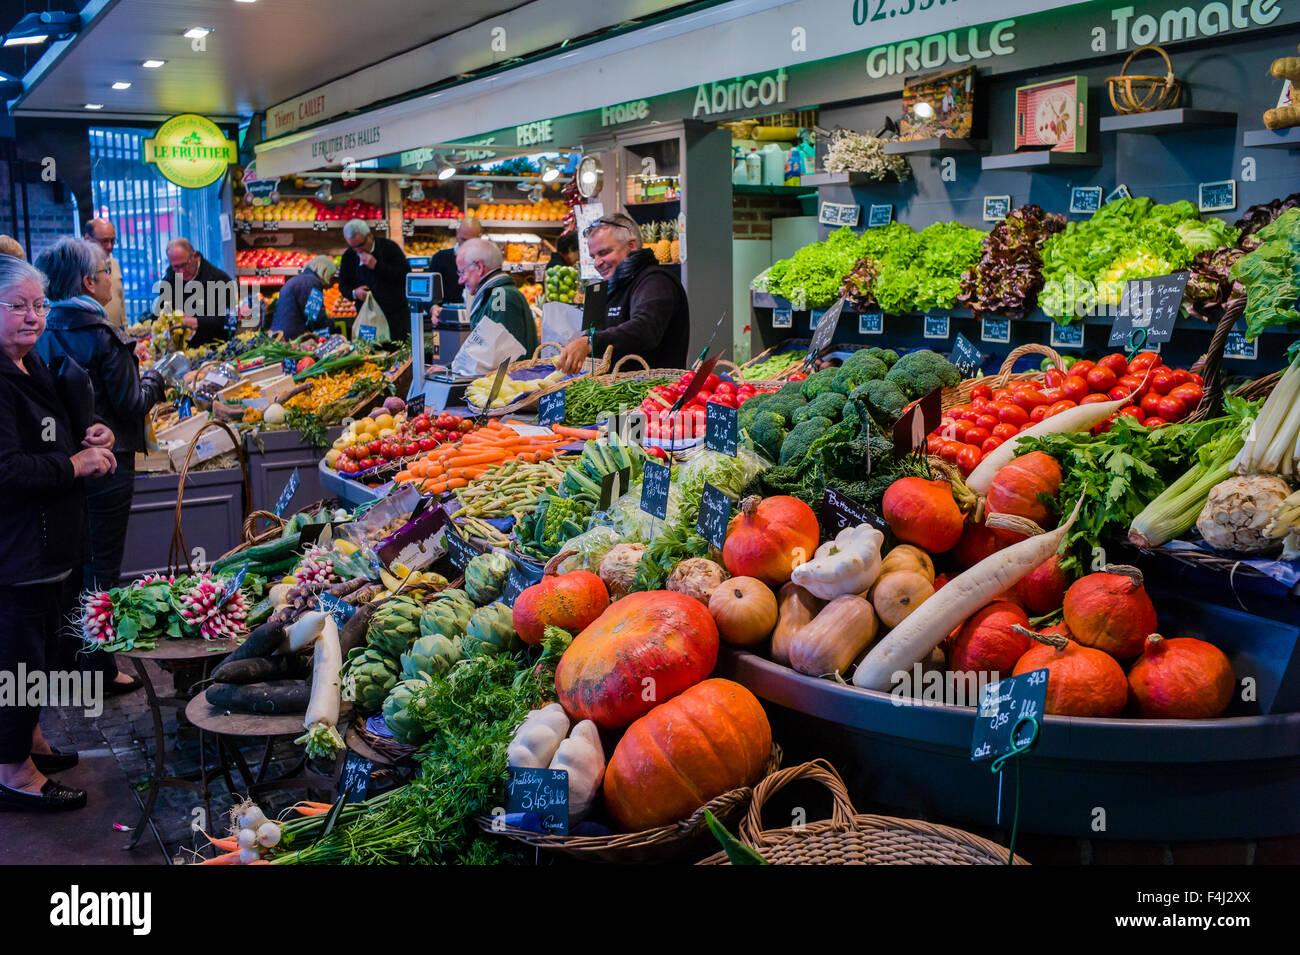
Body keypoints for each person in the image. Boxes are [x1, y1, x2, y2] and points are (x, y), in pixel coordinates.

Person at [0, 253, 119, 811]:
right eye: (17, 306)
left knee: (41, 654)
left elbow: (48, 434)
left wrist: (86, 435)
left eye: (38, 305)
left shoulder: (29, 364)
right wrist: (75, 465)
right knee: (16, 661)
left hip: (50, 547)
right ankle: (14, 773)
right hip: (16, 550)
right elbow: (7, 469)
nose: (32, 317)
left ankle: (30, 741)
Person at [36, 236, 166, 695]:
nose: (113, 278)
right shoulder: (102, 333)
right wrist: (155, 377)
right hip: (109, 465)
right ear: (88, 282)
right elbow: (131, 406)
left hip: (63, 466)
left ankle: (70, 664)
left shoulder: (43, 330)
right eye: (106, 270)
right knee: (103, 568)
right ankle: (100, 669)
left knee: (72, 565)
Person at [556, 213, 689, 372]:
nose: (597, 263)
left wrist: (590, 342)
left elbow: (644, 330)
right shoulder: (610, 286)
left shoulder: (656, 281)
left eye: (604, 253)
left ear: (631, 245)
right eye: (593, 256)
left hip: (653, 391)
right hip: (616, 391)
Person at [439, 238, 538, 372]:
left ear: (479, 267)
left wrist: (449, 371)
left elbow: (498, 355)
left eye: (462, 272)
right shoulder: (497, 293)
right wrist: (448, 369)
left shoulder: (500, 295)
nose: (460, 280)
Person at [337, 219, 411, 340]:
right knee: (371, 354)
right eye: (353, 247)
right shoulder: (349, 256)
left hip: (394, 317)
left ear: (370, 236)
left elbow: (405, 275)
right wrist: (355, 293)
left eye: (360, 245)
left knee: (398, 353)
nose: (358, 250)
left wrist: (377, 266)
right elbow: (343, 285)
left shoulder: (389, 248)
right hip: (367, 318)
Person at [158, 238, 238, 348]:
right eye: (176, 267)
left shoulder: (219, 279)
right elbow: (161, 313)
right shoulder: (169, 280)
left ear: (194, 256)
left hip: (214, 349)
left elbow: (230, 320)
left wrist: (197, 322)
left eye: (184, 265)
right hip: (180, 350)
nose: (181, 271)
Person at [270, 255, 337, 340]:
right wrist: (331, 325)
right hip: (293, 337)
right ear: (324, 271)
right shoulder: (312, 282)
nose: (328, 282)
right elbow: (314, 316)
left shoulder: (296, 280)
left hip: (279, 334)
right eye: (330, 276)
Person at [84, 218, 126, 329]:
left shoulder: (114, 264)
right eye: (104, 241)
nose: (110, 246)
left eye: (113, 241)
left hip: (117, 335)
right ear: (87, 238)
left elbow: (120, 301)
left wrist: (125, 329)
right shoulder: (81, 269)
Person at [429, 216, 482, 306]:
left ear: (479, 237)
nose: (467, 245)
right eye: (463, 240)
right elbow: (428, 293)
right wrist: (433, 307)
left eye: (472, 241)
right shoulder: (440, 258)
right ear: (457, 233)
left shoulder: (485, 261)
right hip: (447, 317)